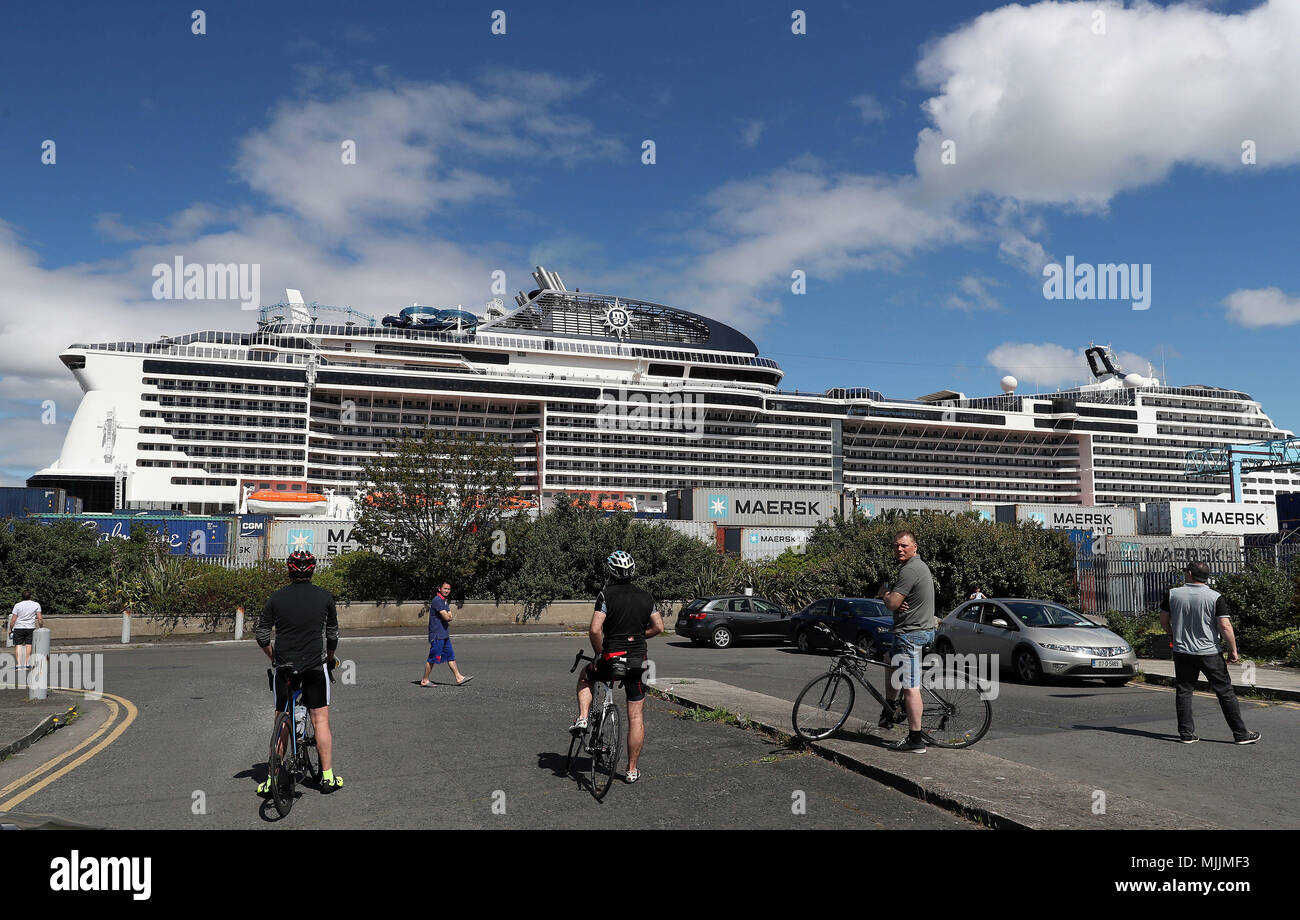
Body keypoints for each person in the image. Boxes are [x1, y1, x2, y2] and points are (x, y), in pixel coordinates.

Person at [570, 550, 663, 784]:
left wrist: (600, 652)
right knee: (636, 715)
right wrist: (640, 634)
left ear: (611, 571)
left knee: (586, 675)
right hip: (639, 661)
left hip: (612, 657)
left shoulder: (606, 595)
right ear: (632, 571)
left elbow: (594, 629)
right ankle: (632, 770)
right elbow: (659, 627)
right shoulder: (646, 596)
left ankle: (582, 718)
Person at [255, 551, 345, 794]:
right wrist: (329, 657)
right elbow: (333, 634)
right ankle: (327, 777)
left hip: (284, 667)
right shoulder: (324, 597)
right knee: (320, 719)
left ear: (289, 571)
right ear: (313, 570)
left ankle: (272, 780)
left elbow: (262, 636)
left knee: (281, 719)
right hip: (314, 666)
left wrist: (276, 658)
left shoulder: (276, 598)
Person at [1159, 561, 1260, 745]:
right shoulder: (1215, 597)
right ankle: (1240, 734)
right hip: (1209, 652)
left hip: (1183, 651)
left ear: (1189, 573)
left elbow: (1164, 619)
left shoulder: (1173, 594)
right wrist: (1233, 650)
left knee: (1184, 691)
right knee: (1225, 692)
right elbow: (1224, 626)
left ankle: (1186, 734)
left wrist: (1171, 634)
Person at [876, 531, 938, 753]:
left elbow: (892, 603)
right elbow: (897, 601)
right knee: (889, 660)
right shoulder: (914, 567)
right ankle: (889, 710)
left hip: (911, 634)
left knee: (911, 688)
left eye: (904, 546)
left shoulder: (910, 569)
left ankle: (915, 740)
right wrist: (894, 598)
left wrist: (886, 594)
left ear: (915, 547)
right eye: (896, 546)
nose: (899, 549)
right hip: (913, 631)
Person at [421, 581, 472, 687]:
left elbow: (449, 615)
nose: (447, 591)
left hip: (444, 634)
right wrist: (448, 615)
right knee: (433, 658)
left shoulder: (444, 601)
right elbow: (447, 617)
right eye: (445, 589)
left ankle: (459, 677)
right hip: (437, 634)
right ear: (440, 588)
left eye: (448, 589)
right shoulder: (437, 600)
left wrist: (448, 615)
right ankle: (425, 680)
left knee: (450, 656)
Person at [7, 590, 43, 671]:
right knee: (28, 645)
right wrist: (41, 627)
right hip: (30, 627)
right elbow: (40, 618)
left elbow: (13, 619)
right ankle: (27, 664)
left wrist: (10, 629)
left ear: (22, 597)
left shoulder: (17, 605)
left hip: (19, 627)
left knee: (18, 645)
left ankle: (19, 665)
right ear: (30, 596)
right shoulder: (36, 604)